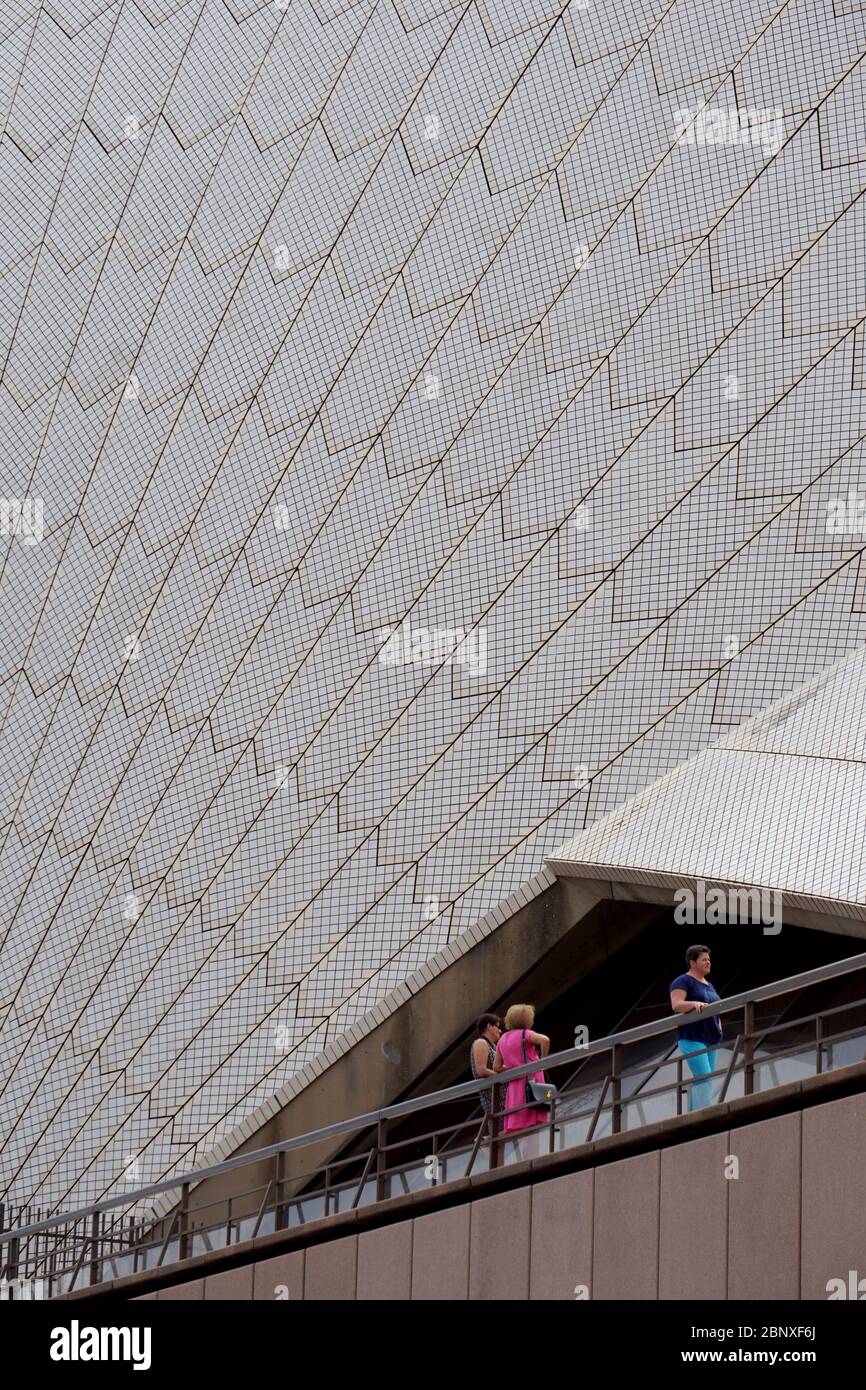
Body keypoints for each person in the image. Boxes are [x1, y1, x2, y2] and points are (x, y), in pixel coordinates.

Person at [493, 1004, 551, 1160]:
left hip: (515, 1086)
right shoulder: (526, 1033)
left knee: (522, 1123)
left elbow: (496, 1067)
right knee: (534, 1123)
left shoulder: (502, 1039)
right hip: (532, 1081)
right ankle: (532, 1158)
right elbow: (545, 1040)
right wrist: (541, 1061)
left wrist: (511, 1067)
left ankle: (523, 1155)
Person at [669, 945, 723, 1111]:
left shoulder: (709, 985)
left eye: (709, 959)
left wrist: (720, 1027)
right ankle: (706, 1113)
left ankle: (693, 1113)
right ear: (692, 963)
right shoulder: (682, 981)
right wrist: (693, 1004)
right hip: (692, 1037)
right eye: (704, 960)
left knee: (705, 1078)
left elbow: (716, 1007)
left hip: (711, 1038)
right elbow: (676, 1005)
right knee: (704, 1076)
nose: (708, 962)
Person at [470, 1014, 503, 1135]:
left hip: (498, 1095)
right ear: (489, 1026)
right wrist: (503, 1077)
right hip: (492, 1096)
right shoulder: (481, 1043)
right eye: (498, 1026)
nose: (500, 1030)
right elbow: (481, 1070)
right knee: (498, 1130)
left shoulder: (492, 1045)